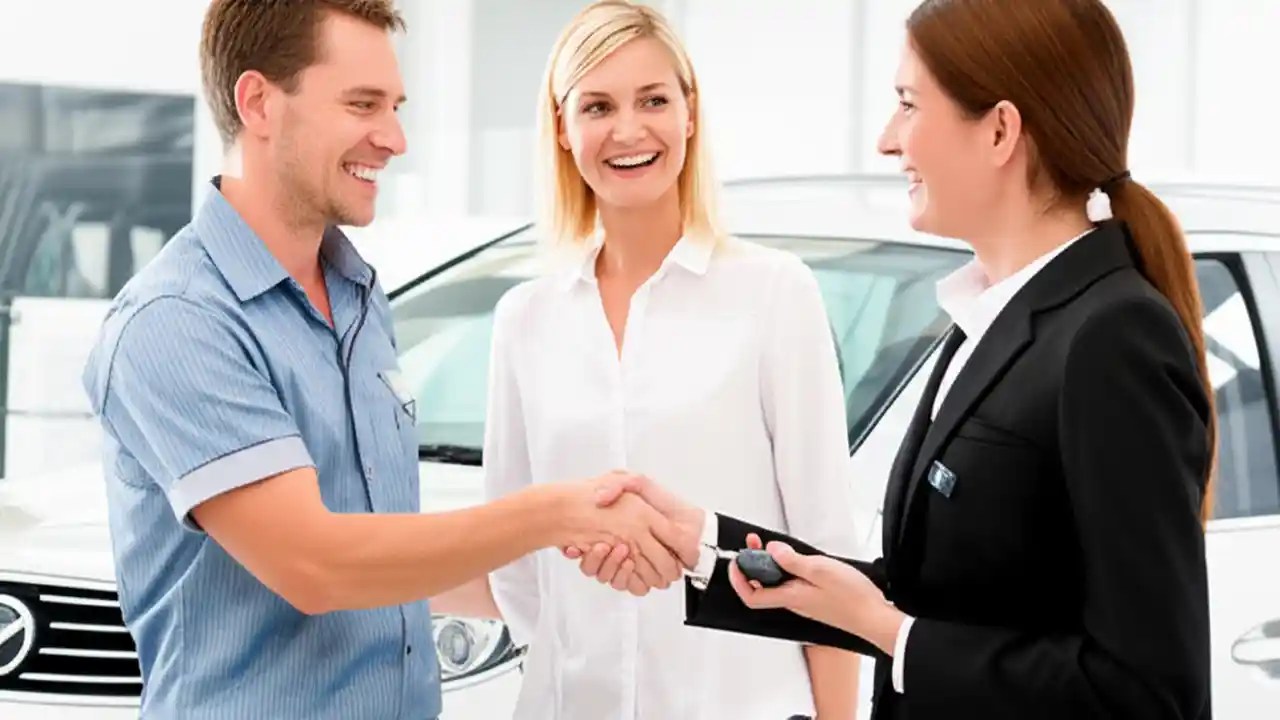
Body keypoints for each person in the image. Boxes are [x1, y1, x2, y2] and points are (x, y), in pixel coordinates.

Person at [581, 1, 1216, 719]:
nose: (888, 141)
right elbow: (940, 593)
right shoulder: (984, 320)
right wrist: (704, 543)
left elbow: (1151, 692)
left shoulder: (1112, 335)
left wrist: (892, 633)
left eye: (908, 105)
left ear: (1001, 130)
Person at [78, 2, 682, 718]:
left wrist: (596, 563)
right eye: (362, 105)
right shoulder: (178, 320)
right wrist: (556, 514)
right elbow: (317, 565)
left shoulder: (359, 298)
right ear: (259, 102)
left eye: (395, 107)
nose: (394, 139)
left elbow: (390, 570)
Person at [430, 2, 862, 718]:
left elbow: (827, 557)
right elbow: (516, 567)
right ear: (563, 130)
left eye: (653, 100)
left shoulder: (773, 294)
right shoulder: (525, 319)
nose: (628, 130)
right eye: (597, 106)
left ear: (690, 113)